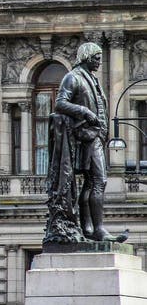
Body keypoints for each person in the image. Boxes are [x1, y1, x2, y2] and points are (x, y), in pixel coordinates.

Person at [44, 43, 121, 244]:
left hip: (95, 136)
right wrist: (85, 112)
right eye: (96, 57)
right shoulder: (73, 77)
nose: (99, 61)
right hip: (83, 136)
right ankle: (99, 229)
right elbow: (60, 103)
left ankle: (88, 228)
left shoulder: (91, 80)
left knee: (91, 183)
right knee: (99, 181)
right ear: (86, 57)